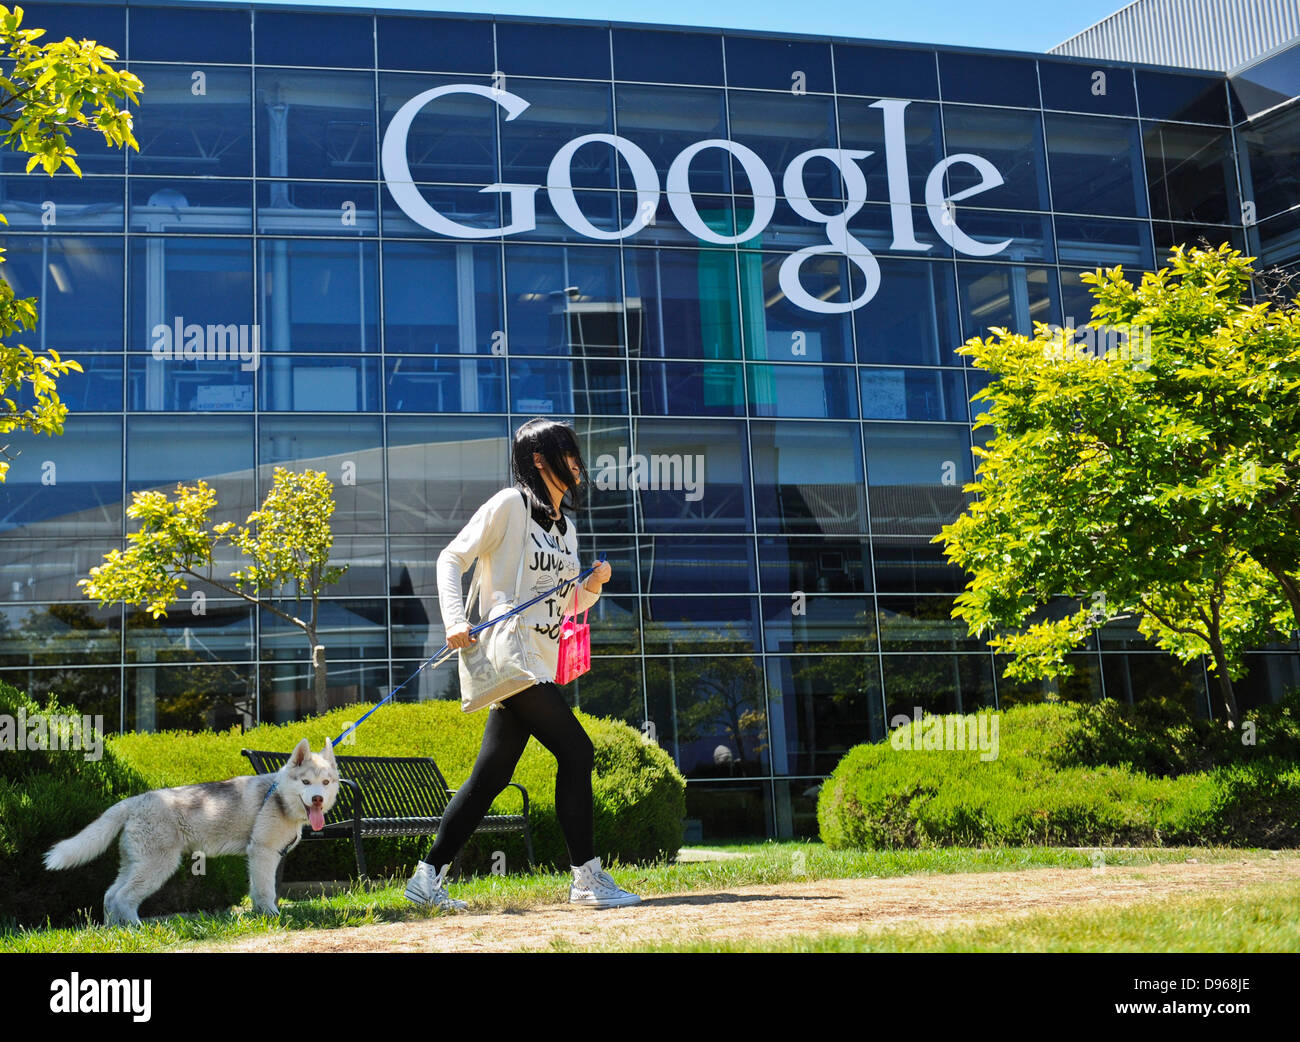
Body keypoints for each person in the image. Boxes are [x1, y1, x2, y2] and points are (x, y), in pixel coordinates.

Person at [404, 418, 641, 911]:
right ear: (539, 459)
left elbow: (565, 605)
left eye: (576, 455)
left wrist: (593, 584)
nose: (577, 464)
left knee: (490, 778)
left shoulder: (566, 530)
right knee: (577, 752)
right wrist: (453, 619)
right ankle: (586, 879)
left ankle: (426, 879)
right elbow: (451, 558)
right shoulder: (510, 505)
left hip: (539, 661)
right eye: (567, 454)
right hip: (511, 656)